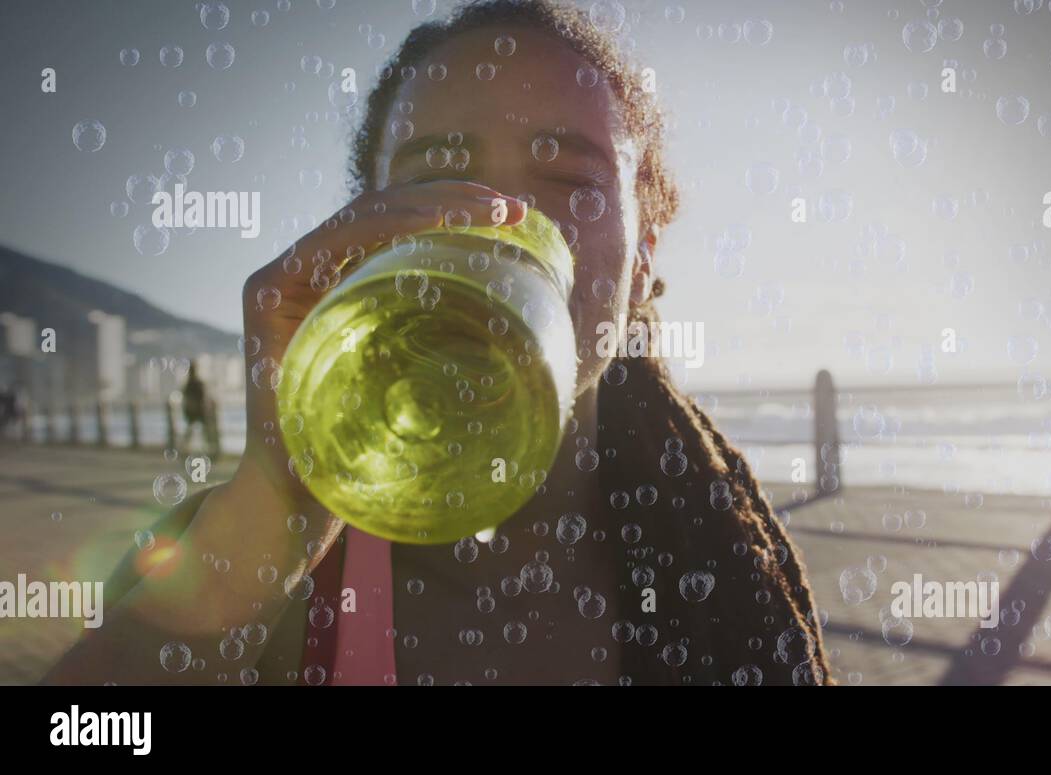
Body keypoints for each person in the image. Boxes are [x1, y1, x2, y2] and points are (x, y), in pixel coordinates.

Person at [44, 0, 830, 686]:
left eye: (572, 185)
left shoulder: (722, 567)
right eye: (435, 177)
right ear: (366, 230)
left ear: (643, 261)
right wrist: (271, 520)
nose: (505, 215)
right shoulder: (239, 569)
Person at [180, 360, 210, 455]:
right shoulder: (198, 383)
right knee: (204, 430)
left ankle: (185, 448)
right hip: (199, 410)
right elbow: (203, 397)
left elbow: (185, 397)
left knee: (190, 430)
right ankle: (206, 448)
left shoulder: (188, 384)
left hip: (191, 411)